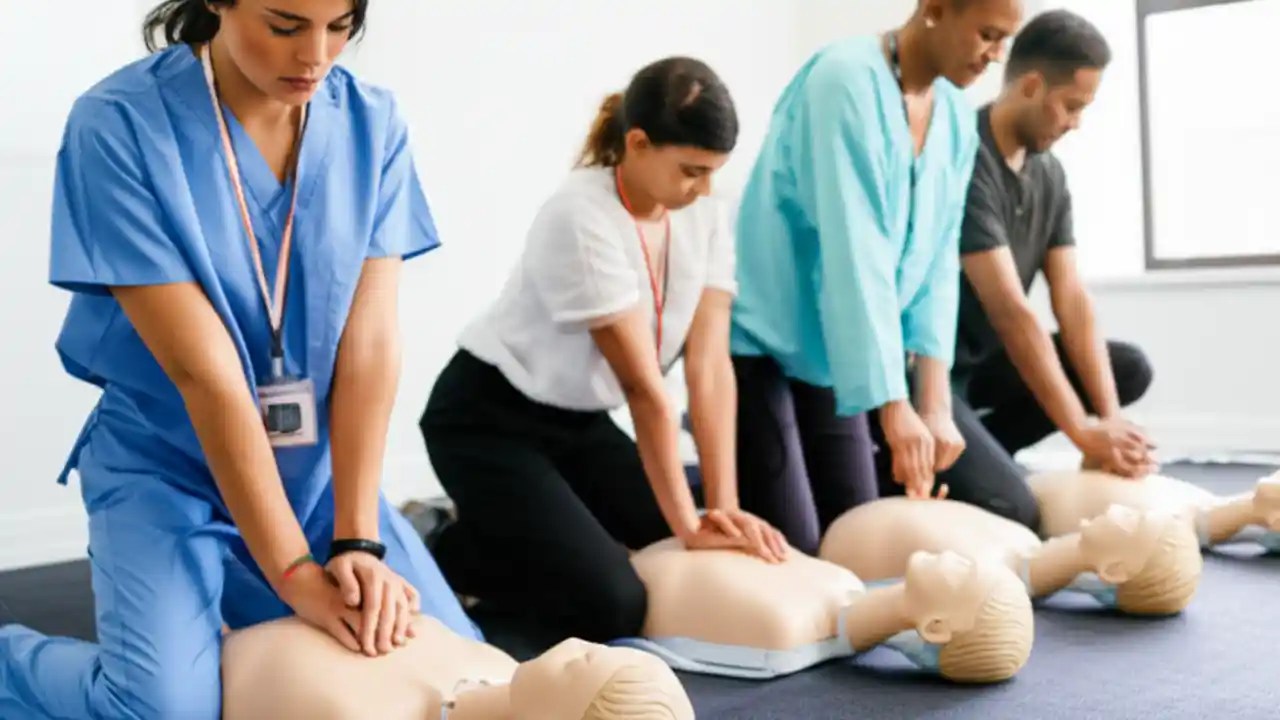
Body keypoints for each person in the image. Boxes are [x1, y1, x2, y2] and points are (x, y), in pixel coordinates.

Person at [0, 2, 478, 718]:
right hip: (166, 467)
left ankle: (227, 638)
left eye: (341, 25)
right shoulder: (120, 124)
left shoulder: (370, 124)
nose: (317, 54)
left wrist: (356, 539)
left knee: (458, 665)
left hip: (313, 480)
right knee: (160, 711)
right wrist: (293, 576)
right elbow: (206, 375)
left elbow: (370, 344)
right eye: (286, 26)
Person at [420, 57, 789, 645]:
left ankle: (519, 525)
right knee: (613, 602)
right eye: (690, 171)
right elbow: (646, 393)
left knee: (673, 530)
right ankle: (445, 543)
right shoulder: (580, 215)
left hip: (579, 423)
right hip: (487, 420)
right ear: (637, 144)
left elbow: (710, 368)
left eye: (712, 173)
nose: (702, 189)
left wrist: (721, 507)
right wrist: (690, 528)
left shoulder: (707, 216)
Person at [729, 0, 1024, 554]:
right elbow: (853, 248)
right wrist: (893, 407)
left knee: (857, 540)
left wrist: (932, 405)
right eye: (988, 34)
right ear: (935, 9)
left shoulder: (957, 117)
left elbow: (939, 261)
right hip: (763, 347)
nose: (996, 55)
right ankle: (712, 465)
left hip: (835, 360)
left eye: (1006, 40)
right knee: (802, 549)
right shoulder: (844, 80)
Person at [944, 9, 1156, 530]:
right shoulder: (963, 157)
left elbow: (1072, 299)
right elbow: (1013, 312)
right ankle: (955, 461)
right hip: (936, 374)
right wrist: (1081, 433)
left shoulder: (1050, 174)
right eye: (1071, 107)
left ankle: (990, 451)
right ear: (1033, 86)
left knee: (1128, 367)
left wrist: (1108, 422)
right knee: (1014, 508)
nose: (1075, 123)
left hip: (991, 366)